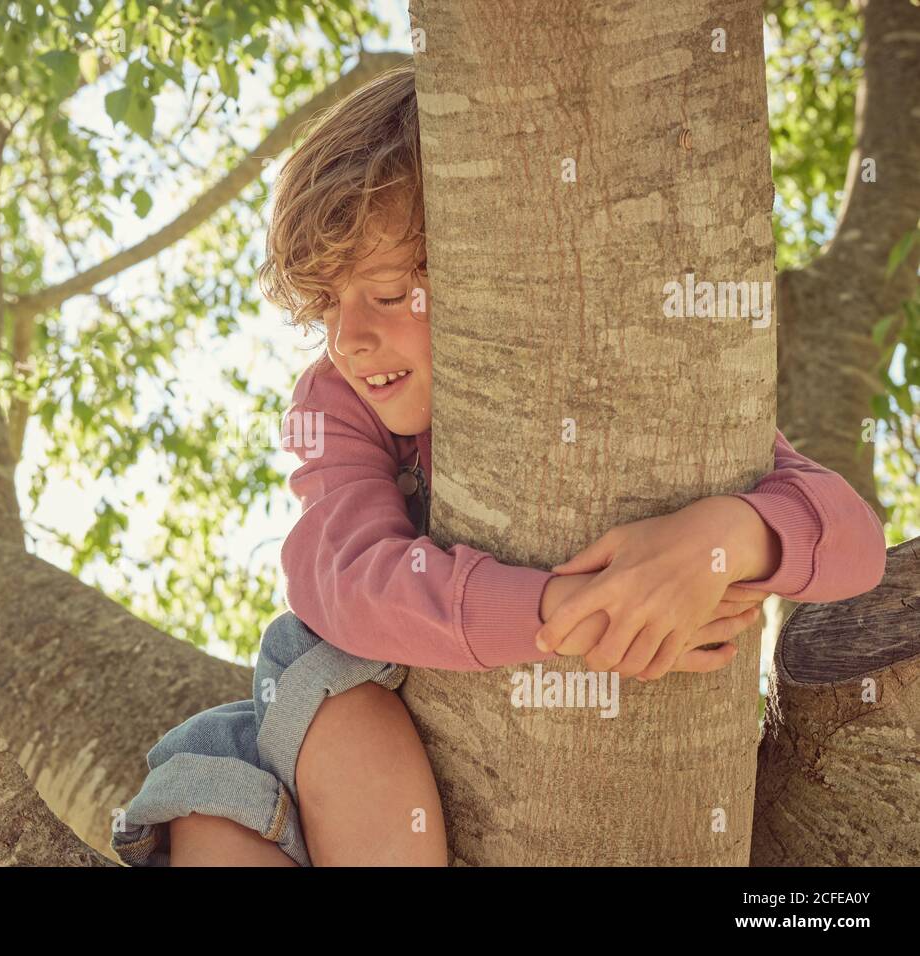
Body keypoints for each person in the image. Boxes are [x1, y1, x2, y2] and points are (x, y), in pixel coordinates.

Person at [110, 64, 888, 867]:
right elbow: (340, 579)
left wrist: (728, 535)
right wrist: (559, 609)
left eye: (383, 291)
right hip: (310, 750)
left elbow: (859, 543)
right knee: (213, 800)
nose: (348, 338)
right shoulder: (336, 399)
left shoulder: (638, 383)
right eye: (326, 306)